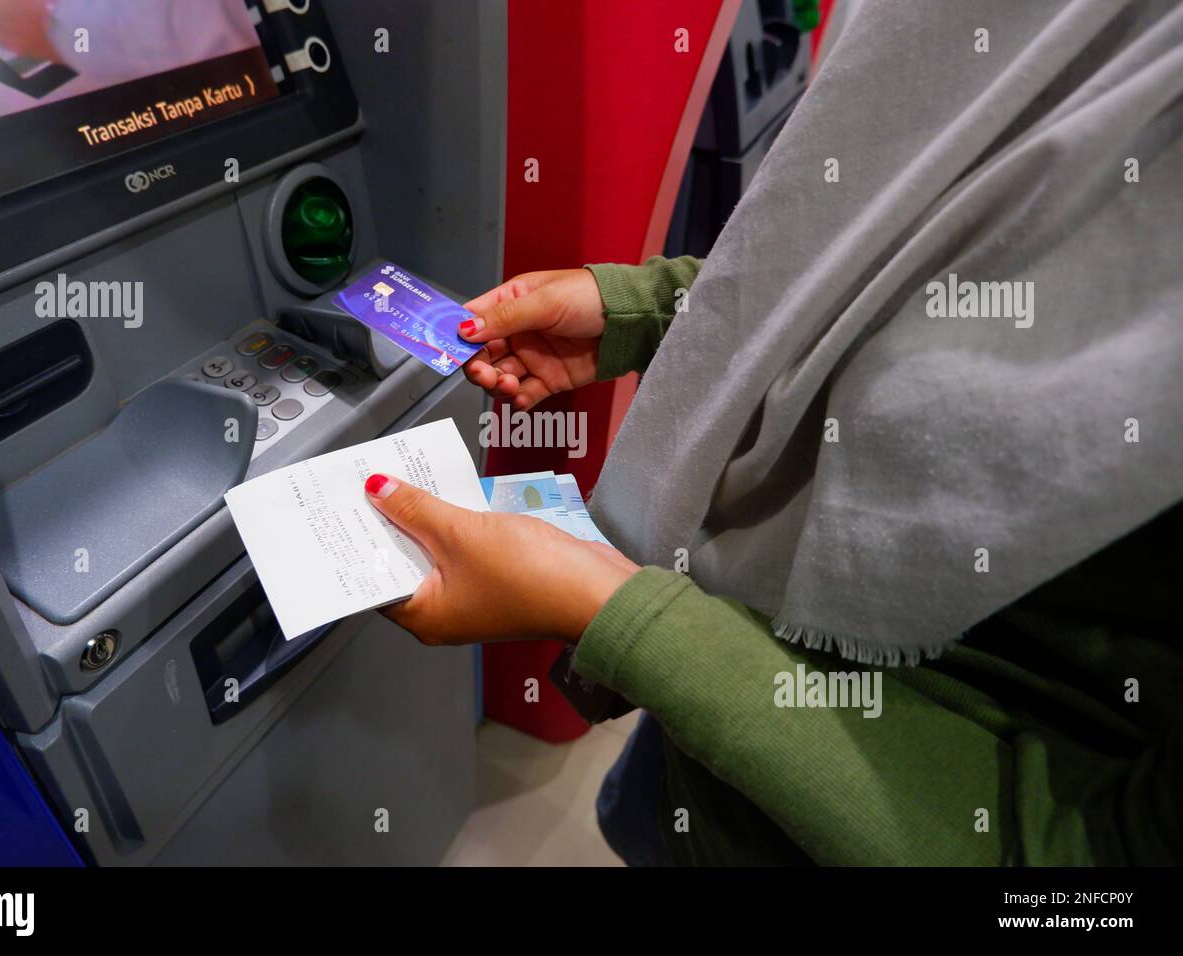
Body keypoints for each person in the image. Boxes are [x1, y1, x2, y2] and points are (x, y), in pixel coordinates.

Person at [363, 0, 1183, 865]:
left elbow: (1083, 884)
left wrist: (619, 617)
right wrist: (651, 308)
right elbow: (892, 255)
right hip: (712, 709)